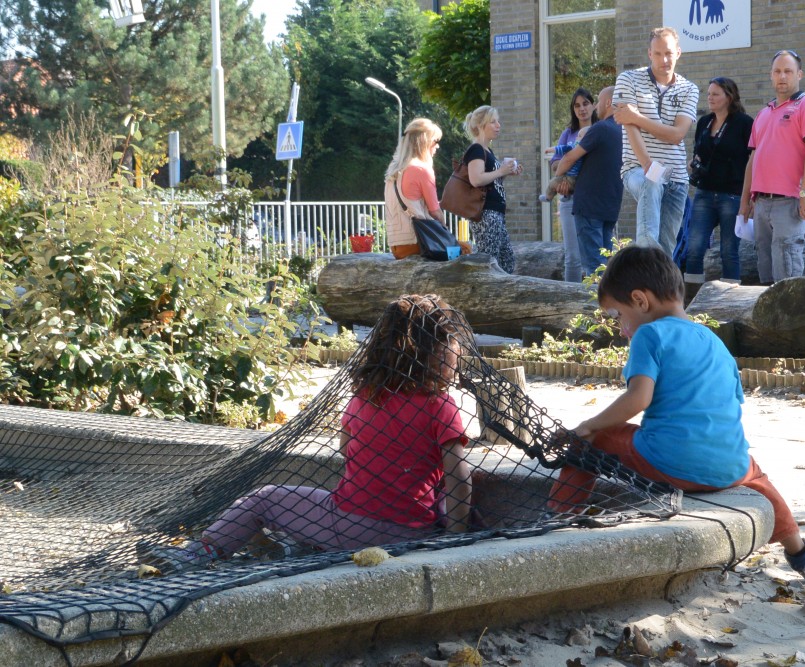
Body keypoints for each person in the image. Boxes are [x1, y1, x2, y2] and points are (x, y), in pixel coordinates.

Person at [547, 245, 805, 588]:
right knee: (757, 475)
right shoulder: (713, 340)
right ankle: (804, 554)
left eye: (618, 316)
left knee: (592, 441)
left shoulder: (649, 334)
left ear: (641, 301)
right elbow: (727, 403)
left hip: (670, 463)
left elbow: (638, 397)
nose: (622, 328)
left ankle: (558, 519)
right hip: (728, 468)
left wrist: (588, 426)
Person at [142, 294, 473, 571]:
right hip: (409, 535)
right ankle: (292, 548)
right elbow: (459, 477)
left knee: (264, 499)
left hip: (345, 525)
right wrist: (456, 537)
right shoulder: (439, 406)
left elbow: (346, 448)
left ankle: (199, 555)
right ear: (437, 356)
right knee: (439, 495)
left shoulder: (365, 396)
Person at [739, 50, 805, 284]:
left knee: (787, 278)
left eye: (788, 71)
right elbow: (753, 160)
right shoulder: (763, 113)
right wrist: (745, 201)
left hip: (790, 202)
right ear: (770, 75)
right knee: (766, 276)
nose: (782, 76)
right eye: (777, 71)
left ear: (800, 74)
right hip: (761, 203)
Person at [612, 27, 698, 256]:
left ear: (678, 52)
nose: (664, 59)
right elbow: (628, 126)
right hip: (637, 169)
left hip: (677, 177)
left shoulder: (689, 89)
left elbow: (677, 134)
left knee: (667, 251)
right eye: (658, 54)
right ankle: (644, 262)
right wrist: (648, 164)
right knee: (651, 181)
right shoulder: (628, 79)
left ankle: (661, 288)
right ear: (649, 53)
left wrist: (638, 117)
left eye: (669, 53)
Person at [683, 77, 754, 296]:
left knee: (729, 250)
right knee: (694, 247)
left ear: (729, 97)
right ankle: (692, 300)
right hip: (704, 192)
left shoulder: (744, 123)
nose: (710, 98)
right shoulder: (704, 122)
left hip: (732, 194)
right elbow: (699, 151)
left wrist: (749, 197)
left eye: (716, 94)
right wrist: (693, 163)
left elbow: (753, 159)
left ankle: (730, 299)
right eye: (709, 94)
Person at [552, 86, 624, 276]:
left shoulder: (600, 128)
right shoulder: (624, 130)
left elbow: (569, 158)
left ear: (608, 102)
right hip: (610, 205)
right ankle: (611, 304)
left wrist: (559, 174)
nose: (596, 106)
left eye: (597, 101)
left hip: (589, 206)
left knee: (594, 267)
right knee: (606, 265)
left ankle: (598, 305)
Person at [384, 118, 460, 260]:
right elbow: (435, 212)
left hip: (397, 246)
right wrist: (446, 232)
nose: (437, 147)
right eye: (435, 141)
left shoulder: (393, 172)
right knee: (465, 250)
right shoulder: (421, 169)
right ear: (424, 142)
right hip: (418, 242)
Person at [544, 88, 598, 282]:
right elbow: (555, 164)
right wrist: (566, 168)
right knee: (572, 257)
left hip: (594, 198)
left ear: (593, 105)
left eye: (585, 103)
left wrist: (571, 160)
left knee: (595, 255)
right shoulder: (568, 134)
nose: (582, 109)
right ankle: (572, 301)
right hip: (568, 197)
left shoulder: (601, 130)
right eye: (577, 105)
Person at [462, 105, 522, 274]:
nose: (498, 126)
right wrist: (501, 170)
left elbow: (490, 179)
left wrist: (506, 172)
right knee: (489, 263)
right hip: (486, 214)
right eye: (493, 122)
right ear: (481, 125)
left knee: (506, 260)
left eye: (498, 122)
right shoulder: (476, 149)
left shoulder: (488, 150)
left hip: (496, 213)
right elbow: (476, 179)